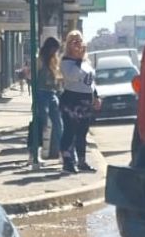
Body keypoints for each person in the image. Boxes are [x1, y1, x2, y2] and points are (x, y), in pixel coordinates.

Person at [58, 31, 100, 174]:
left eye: (79, 41)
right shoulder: (66, 61)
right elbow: (73, 76)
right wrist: (77, 58)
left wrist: (95, 96)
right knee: (70, 130)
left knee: (82, 132)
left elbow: (90, 81)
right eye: (74, 41)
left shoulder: (86, 62)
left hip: (85, 100)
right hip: (72, 100)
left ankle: (82, 161)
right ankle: (67, 160)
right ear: (68, 44)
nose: (77, 44)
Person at [28, 37, 64, 170]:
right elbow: (32, 75)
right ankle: (34, 153)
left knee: (58, 123)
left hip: (52, 93)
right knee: (40, 122)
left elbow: (58, 76)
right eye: (53, 49)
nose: (54, 52)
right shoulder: (40, 59)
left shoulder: (55, 60)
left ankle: (63, 153)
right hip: (41, 93)